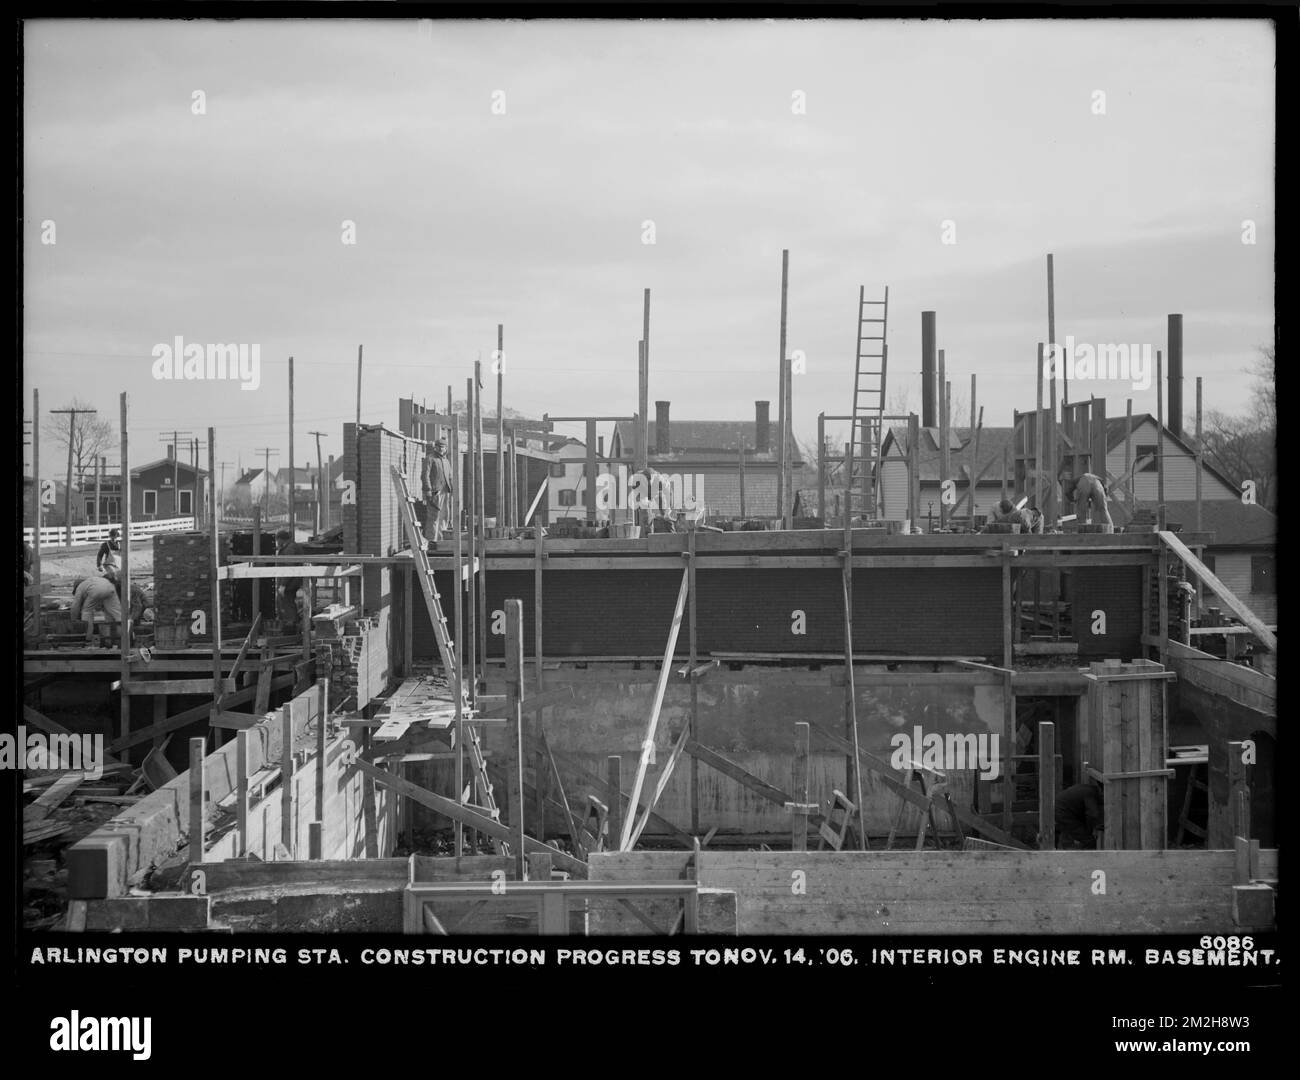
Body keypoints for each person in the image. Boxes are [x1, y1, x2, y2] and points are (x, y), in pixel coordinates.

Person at [1055, 777, 1105, 849]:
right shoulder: (1091, 793)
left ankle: (1067, 851)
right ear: (1102, 792)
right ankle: (1087, 859)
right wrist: (1091, 830)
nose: (1103, 800)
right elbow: (1092, 814)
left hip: (1062, 810)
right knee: (1089, 840)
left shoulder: (1087, 789)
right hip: (1063, 813)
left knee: (1071, 833)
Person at [421, 438, 454, 542]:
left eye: (442, 447)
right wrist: (428, 490)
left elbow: (450, 477)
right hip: (435, 492)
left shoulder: (446, 461)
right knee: (433, 517)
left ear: (446, 448)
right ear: (435, 447)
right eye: (438, 446)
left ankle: (440, 540)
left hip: (445, 492)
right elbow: (424, 475)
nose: (440, 449)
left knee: (445, 517)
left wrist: (452, 490)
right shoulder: (430, 458)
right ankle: (431, 541)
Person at [276, 529, 305, 624]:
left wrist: (283, 584)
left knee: (287, 602)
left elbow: (289, 567)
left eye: (277, 540)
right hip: (293, 580)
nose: (277, 543)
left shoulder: (289, 548)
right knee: (288, 601)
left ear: (281, 539)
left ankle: (291, 623)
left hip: (290, 582)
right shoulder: (292, 546)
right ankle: (292, 622)